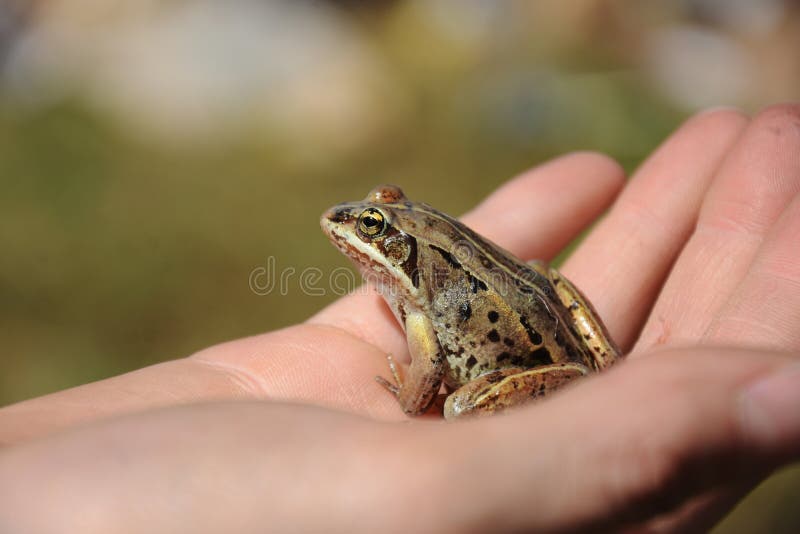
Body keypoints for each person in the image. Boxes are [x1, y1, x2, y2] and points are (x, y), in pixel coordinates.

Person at [1, 104, 799, 533]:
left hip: (517, 363)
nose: (356, 228)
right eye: (372, 221)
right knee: (546, 283)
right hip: (548, 314)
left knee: (454, 405)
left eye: (378, 229)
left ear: (401, 250)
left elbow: (420, 391)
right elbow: (533, 286)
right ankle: (603, 372)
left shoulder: (417, 309)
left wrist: (408, 385)